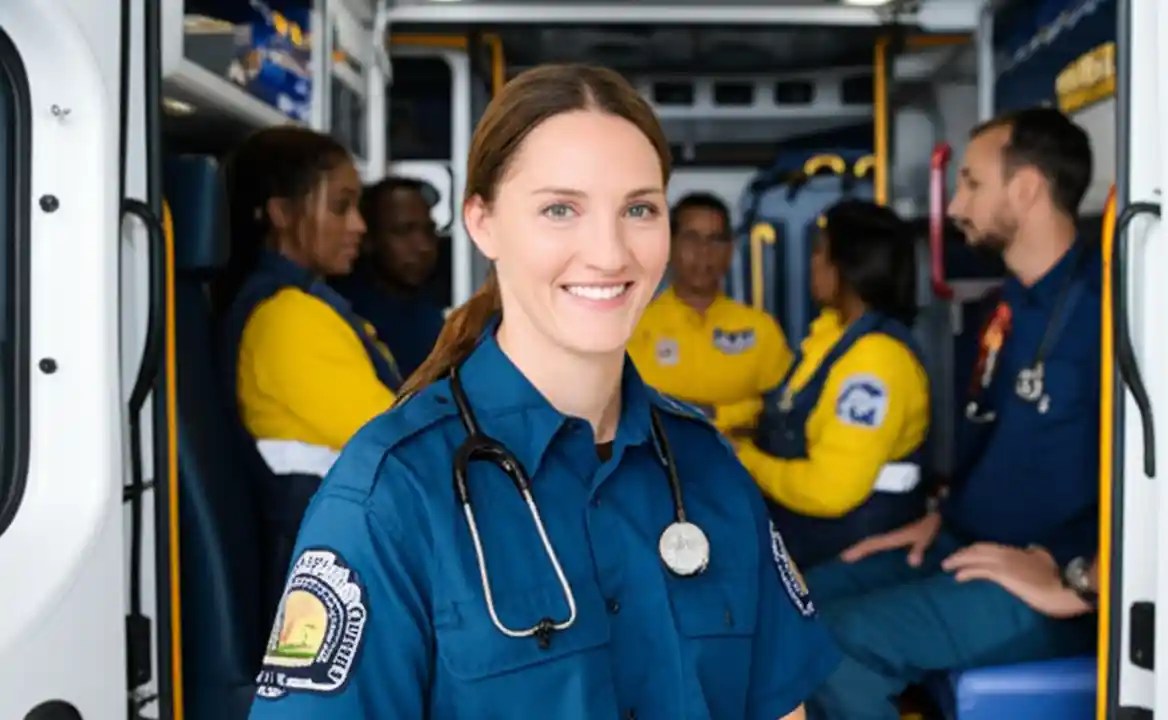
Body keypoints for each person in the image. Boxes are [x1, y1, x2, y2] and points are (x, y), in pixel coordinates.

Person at [248, 63, 840, 720]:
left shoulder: (710, 470)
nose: (610, 253)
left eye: (639, 209)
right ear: (482, 222)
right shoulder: (392, 495)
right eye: (561, 209)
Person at [802, 107, 1101, 718]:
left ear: (1025, 188)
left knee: (836, 646)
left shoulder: (1113, 306)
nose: (956, 204)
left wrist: (1082, 580)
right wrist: (943, 517)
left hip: (1057, 576)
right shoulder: (998, 312)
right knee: (789, 605)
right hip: (963, 543)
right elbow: (1008, 448)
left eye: (971, 183)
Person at [218, 126, 399, 597]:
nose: (359, 225)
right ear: (282, 213)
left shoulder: (302, 305)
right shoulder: (287, 319)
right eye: (340, 207)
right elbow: (400, 442)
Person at [732, 199, 929, 571]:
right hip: (805, 539)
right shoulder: (832, 338)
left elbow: (830, 490)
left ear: (847, 266)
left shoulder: (876, 361)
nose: (813, 263)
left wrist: (745, 459)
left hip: (851, 554)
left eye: (820, 252)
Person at [628, 192, 793, 433]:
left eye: (715, 240)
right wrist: (727, 414)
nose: (703, 251)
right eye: (691, 238)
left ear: (730, 250)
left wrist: (714, 415)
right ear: (668, 246)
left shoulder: (760, 330)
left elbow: (783, 411)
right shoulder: (632, 327)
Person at [335, 176, 447, 374]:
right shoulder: (344, 315)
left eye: (429, 231)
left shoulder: (427, 309)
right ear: (368, 238)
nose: (423, 247)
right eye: (403, 231)